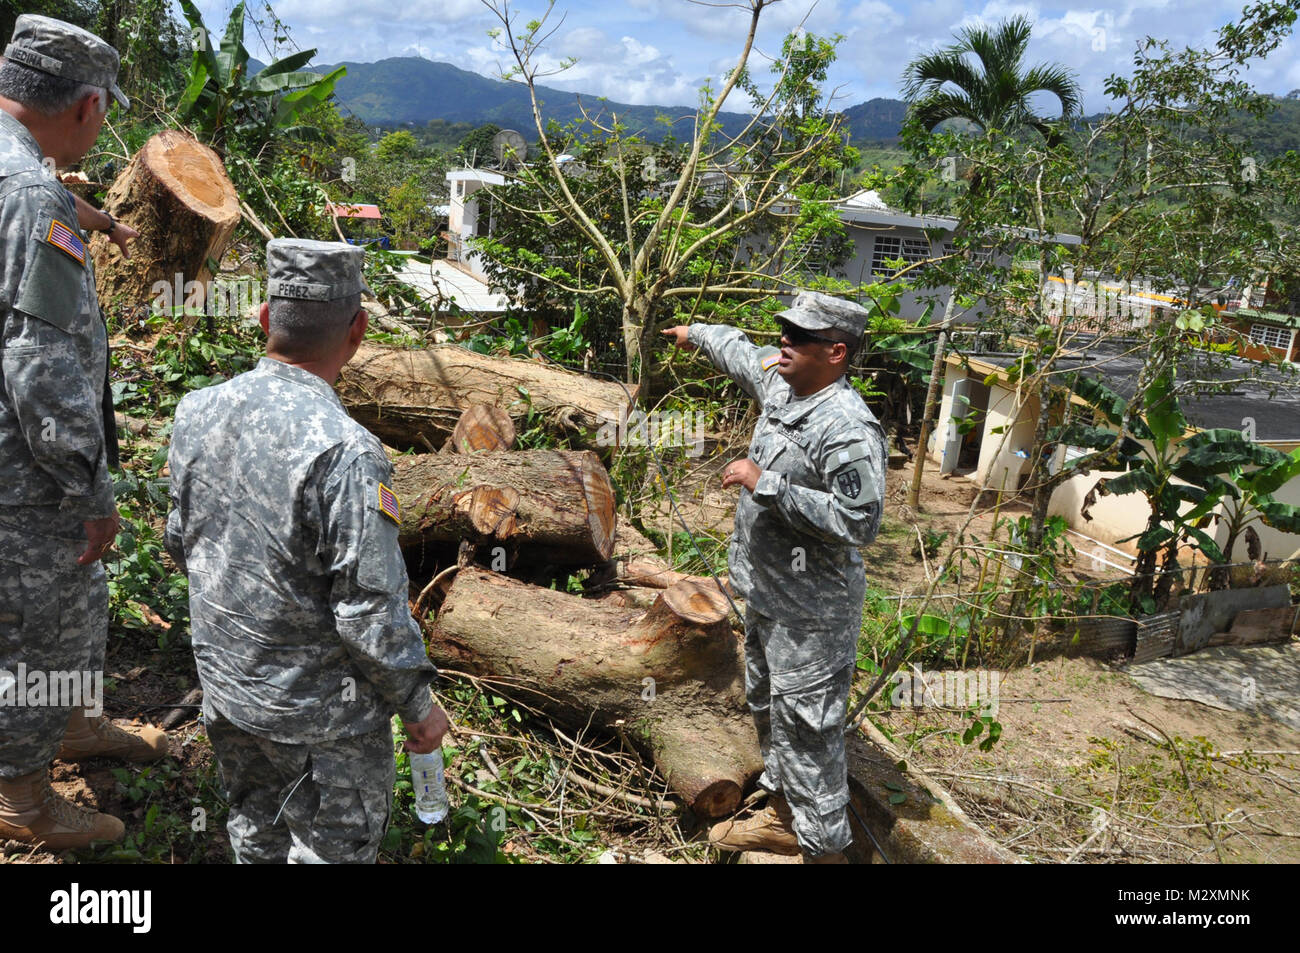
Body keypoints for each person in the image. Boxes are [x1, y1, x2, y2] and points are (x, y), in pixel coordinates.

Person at [164, 239, 448, 864]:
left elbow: (181, 543)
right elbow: (369, 614)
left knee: (254, 830)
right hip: (321, 721)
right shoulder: (348, 451)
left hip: (229, 691)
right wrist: (419, 708)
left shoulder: (194, 411)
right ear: (359, 331)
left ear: (266, 319)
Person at [0, 14, 165, 853]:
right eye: (106, 113)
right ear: (88, 103)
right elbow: (40, 367)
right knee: (36, 620)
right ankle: (24, 800)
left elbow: (31, 206)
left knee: (74, 605)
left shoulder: (19, 173)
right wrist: (88, 484)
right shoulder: (29, 195)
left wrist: (84, 215)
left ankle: (73, 722)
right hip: (25, 469)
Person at [662, 291, 886, 863]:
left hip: (812, 615)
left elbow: (859, 522)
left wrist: (769, 484)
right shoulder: (783, 381)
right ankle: (785, 818)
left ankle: (823, 850)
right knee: (767, 705)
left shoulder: (846, 429)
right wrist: (696, 335)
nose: (784, 341)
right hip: (766, 596)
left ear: (836, 353)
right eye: (785, 330)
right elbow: (742, 351)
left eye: (800, 337)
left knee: (809, 729)